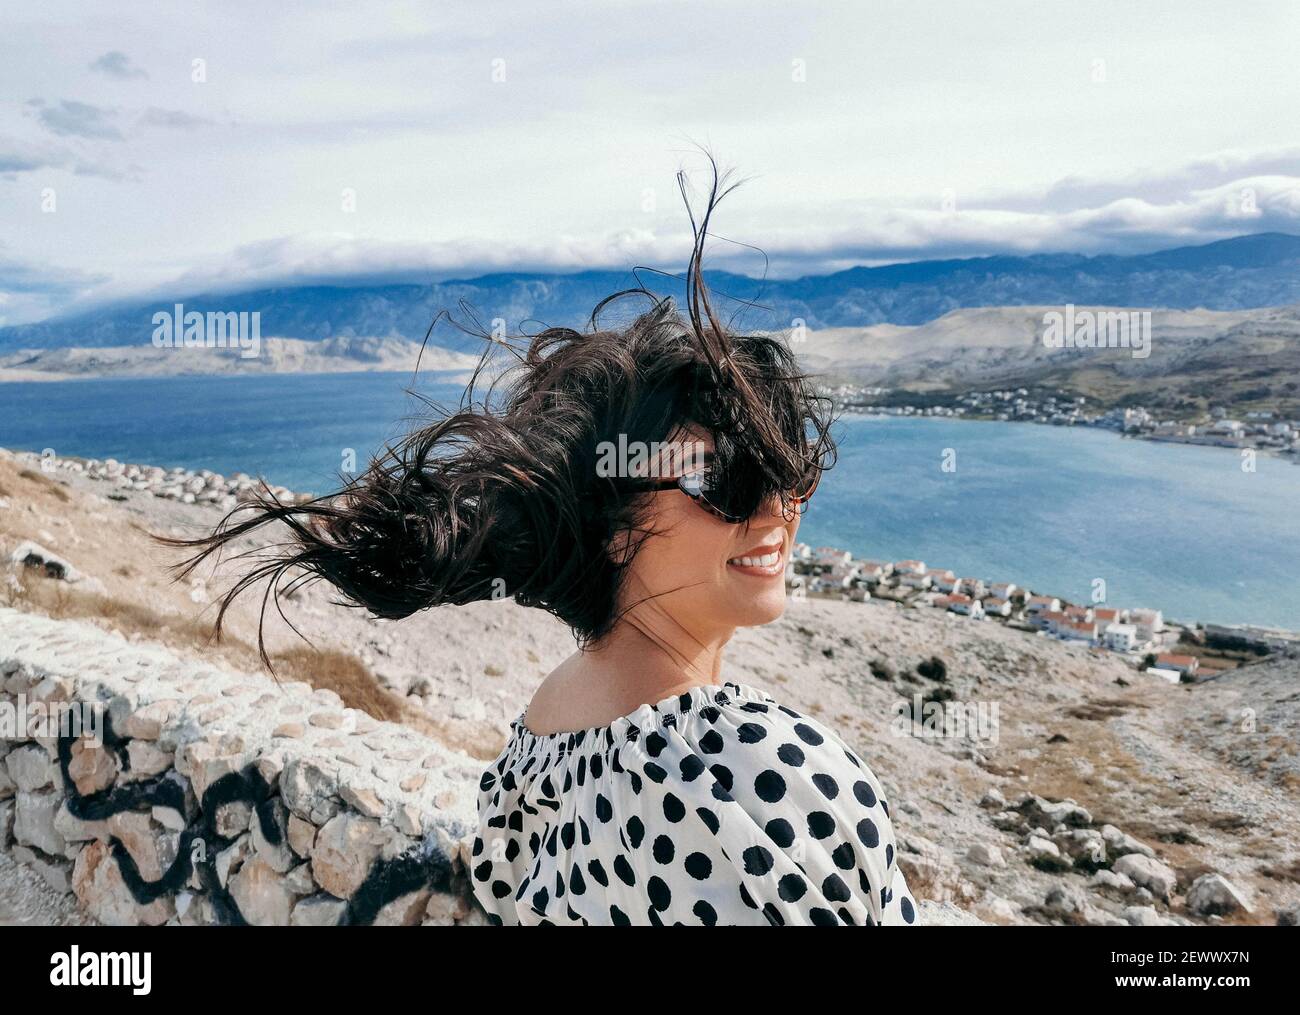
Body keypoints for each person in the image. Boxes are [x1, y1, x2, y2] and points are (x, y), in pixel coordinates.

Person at [168, 161, 917, 926]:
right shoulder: (772, 775)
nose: (776, 511)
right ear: (617, 524)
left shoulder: (549, 727)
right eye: (722, 481)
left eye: (788, 472)